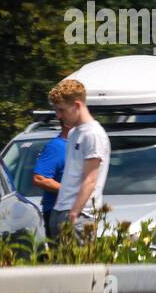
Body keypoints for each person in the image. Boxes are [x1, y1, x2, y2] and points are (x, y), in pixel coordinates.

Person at [48, 78, 110, 233]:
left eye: (61, 110)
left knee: (79, 258)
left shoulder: (93, 134)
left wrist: (74, 214)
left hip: (81, 214)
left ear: (77, 105)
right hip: (61, 209)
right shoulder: (74, 132)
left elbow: (90, 179)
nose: (58, 116)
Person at [31, 124, 70, 239]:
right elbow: (39, 178)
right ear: (67, 123)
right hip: (59, 213)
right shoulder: (57, 147)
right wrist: (72, 191)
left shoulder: (78, 146)